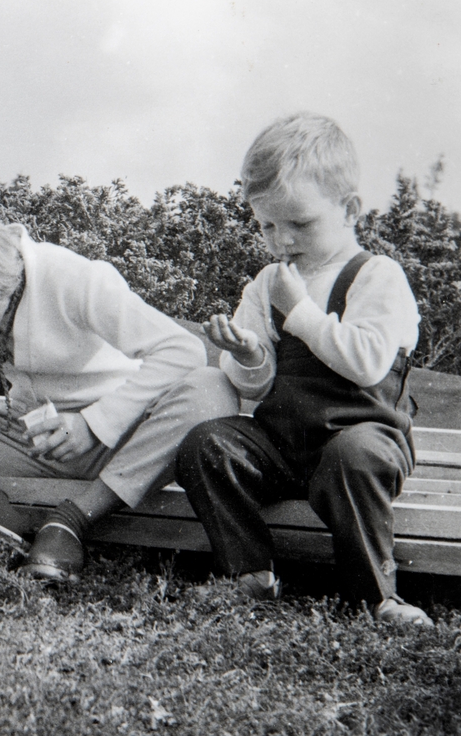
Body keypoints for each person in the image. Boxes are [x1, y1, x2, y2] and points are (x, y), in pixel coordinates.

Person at [0, 207, 239, 581]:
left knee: (212, 388)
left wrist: (94, 424)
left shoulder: (75, 279)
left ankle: (72, 520)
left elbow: (182, 350)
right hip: (31, 441)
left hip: (124, 442)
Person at [174, 113, 431, 625]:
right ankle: (249, 572)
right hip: (288, 446)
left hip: (365, 442)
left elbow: (366, 362)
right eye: (268, 225)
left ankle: (377, 598)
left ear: (350, 210)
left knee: (351, 455)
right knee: (206, 443)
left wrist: (303, 313)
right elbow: (256, 385)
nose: (282, 240)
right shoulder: (268, 283)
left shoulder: (377, 275)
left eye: (300, 223)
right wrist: (247, 355)